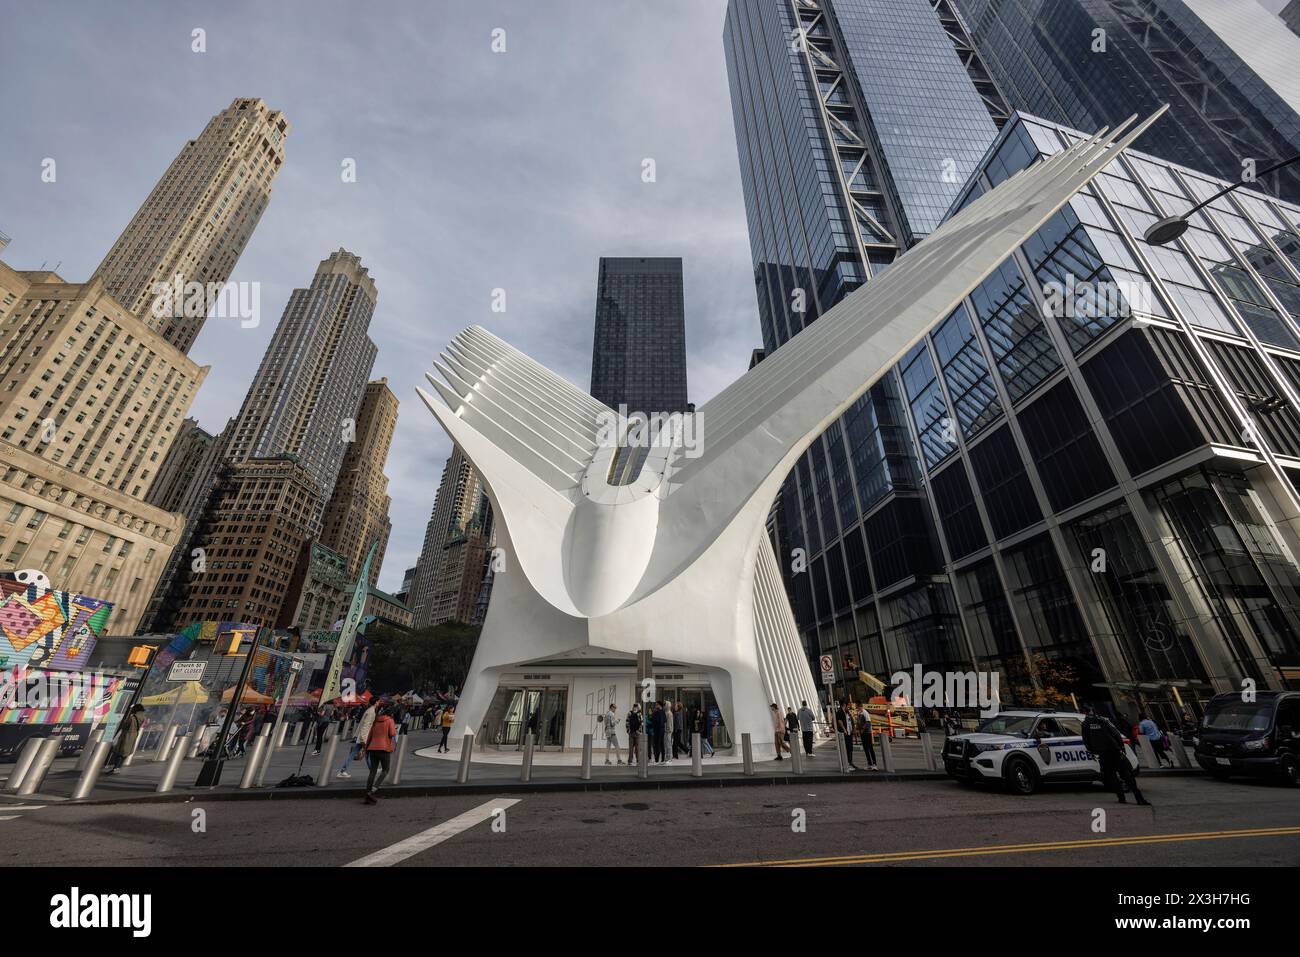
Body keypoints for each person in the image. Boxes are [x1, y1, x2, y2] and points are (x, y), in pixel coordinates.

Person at [1082, 706, 1151, 806]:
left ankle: (1121, 797)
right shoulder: (1103, 720)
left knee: (1111, 776)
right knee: (1127, 776)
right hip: (1114, 751)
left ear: (1084, 713)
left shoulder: (1085, 724)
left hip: (1102, 753)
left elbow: (1086, 739)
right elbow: (1115, 733)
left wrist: (1092, 751)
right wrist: (1121, 748)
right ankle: (1139, 798)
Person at [363, 706, 398, 805]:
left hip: (372, 748)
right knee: (385, 770)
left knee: (372, 771)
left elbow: (369, 735)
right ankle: (373, 790)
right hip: (384, 748)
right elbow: (392, 733)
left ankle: (367, 794)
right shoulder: (390, 720)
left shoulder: (375, 721)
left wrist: (366, 749)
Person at [337, 699, 378, 779]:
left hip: (362, 736)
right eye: (378, 701)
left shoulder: (369, 710)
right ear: (376, 702)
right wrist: (363, 738)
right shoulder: (371, 712)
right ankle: (373, 770)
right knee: (367, 753)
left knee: (355, 753)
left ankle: (342, 770)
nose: (379, 702)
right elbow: (366, 726)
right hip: (364, 736)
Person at [105, 704, 144, 773]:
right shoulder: (142, 717)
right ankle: (118, 768)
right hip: (134, 735)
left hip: (127, 735)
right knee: (125, 752)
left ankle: (115, 768)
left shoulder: (132, 717)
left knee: (121, 751)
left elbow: (125, 725)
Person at [836, 700, 859, 771]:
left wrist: (853, 729)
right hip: (845, 733)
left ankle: (850, 762)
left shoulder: (846, 712)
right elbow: (839, 721)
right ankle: (847, 764)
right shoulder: (840, 712)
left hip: (849, 733)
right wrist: (844, 729)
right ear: (844, 704)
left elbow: (850, 721)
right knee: (846, 749)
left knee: (850, 748)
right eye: (847, 704)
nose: (848, 706)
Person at [855, 705, 878, 769]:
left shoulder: (865, 713)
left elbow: (868, 723)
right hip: (863, 733)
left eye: (857, 707)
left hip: (867, 733)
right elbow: (858, 723)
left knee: (870, 748)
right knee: (865, 748)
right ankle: (870, 764)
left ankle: (874, 764)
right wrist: (857, 730)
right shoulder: (859, 713)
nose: (856, 709)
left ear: (860, 706)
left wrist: (862, 730)